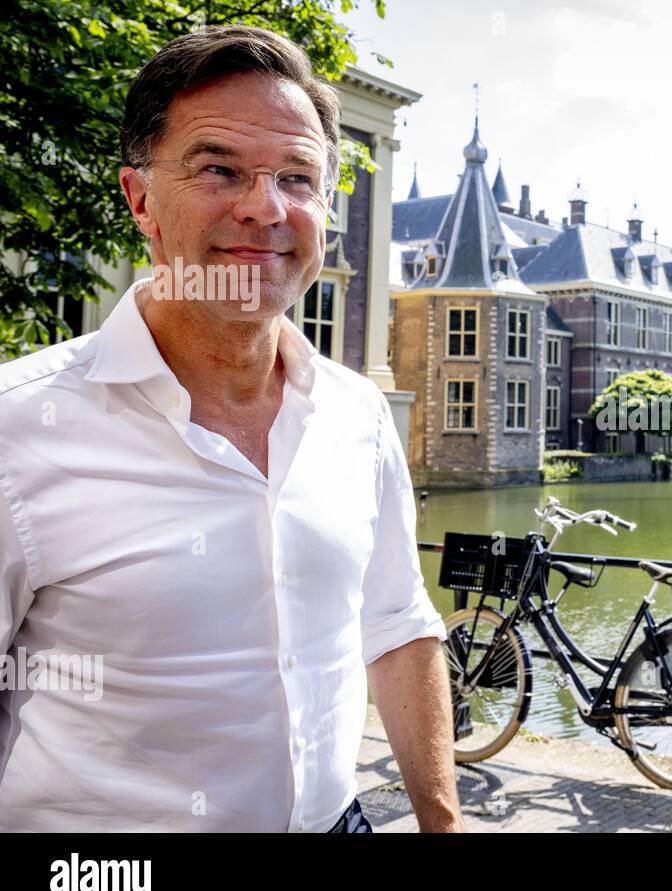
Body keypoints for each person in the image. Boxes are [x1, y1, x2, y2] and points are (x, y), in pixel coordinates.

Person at [0, 25, 464, 832]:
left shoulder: (357, 415)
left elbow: (397, 625)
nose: (265, 207)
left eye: (298, 176)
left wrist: (444, 821)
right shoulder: (18, 428)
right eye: (219, 169)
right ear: (140, 199)